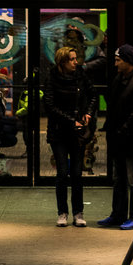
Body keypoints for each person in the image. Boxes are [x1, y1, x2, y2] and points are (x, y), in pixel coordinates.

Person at [44, 46, 97, 227]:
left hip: (77, 132)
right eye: (72, 59)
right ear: (62, 62)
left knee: (76, 173)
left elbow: (93, 95)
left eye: (76, 58)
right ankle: (62, 212)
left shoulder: (80, 74)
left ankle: (78, 212)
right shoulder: (52, 77)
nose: (76, 62)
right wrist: (70, 120)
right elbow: (49, 105)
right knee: (62, 173)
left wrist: (88, 113)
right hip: (59, 131)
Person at [98, 44, 133, 230]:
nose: (115, 63)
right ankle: (118, 214)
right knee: (119, 179)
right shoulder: (120, 79)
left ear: (128, 61)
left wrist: (120, 131)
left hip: (130, 141)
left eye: (118, 60)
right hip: (118, 139)